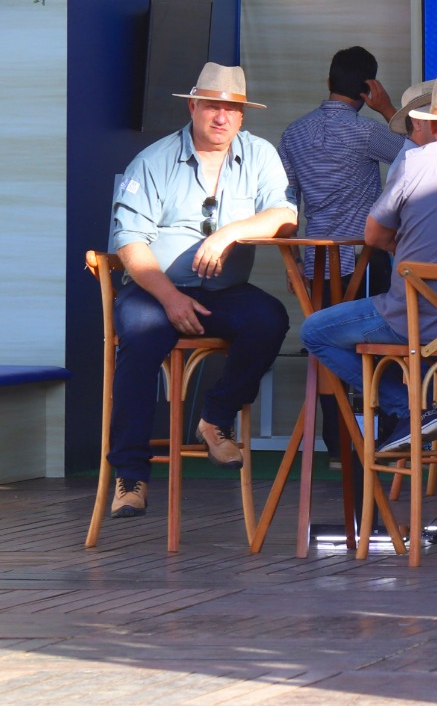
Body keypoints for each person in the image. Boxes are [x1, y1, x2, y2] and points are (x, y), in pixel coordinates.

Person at [105, 63, 298, 519]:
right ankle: (130, 475)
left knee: (271, 319)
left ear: (242, 116)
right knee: (141, 335)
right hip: (155, 290)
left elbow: (284, 216)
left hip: (224, 291)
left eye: (232, 109)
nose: (221, 117)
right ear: (192, 106)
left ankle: (215, 419)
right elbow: (129, 241)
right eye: (212, 106)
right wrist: (170, 298)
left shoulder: (259, 154)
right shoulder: (152, 161)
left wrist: (228, 233)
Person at [301, 72, 437, 454]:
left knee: (315, 331)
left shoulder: (418, 162)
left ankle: (411, 411)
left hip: (418, 320)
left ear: (434, 124)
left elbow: (373, 236)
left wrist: (407, 249)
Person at [278, 46, 408, 458]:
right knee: (379, 349)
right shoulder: (368, 132)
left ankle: (339, 445)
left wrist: (292, 259)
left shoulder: (294, 133)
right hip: (364, 260)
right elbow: (417, 155)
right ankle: (391, 434)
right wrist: (388, 109)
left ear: (329, 81)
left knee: (326, 347)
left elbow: (285, 201)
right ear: (368, 88)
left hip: (317, 261)